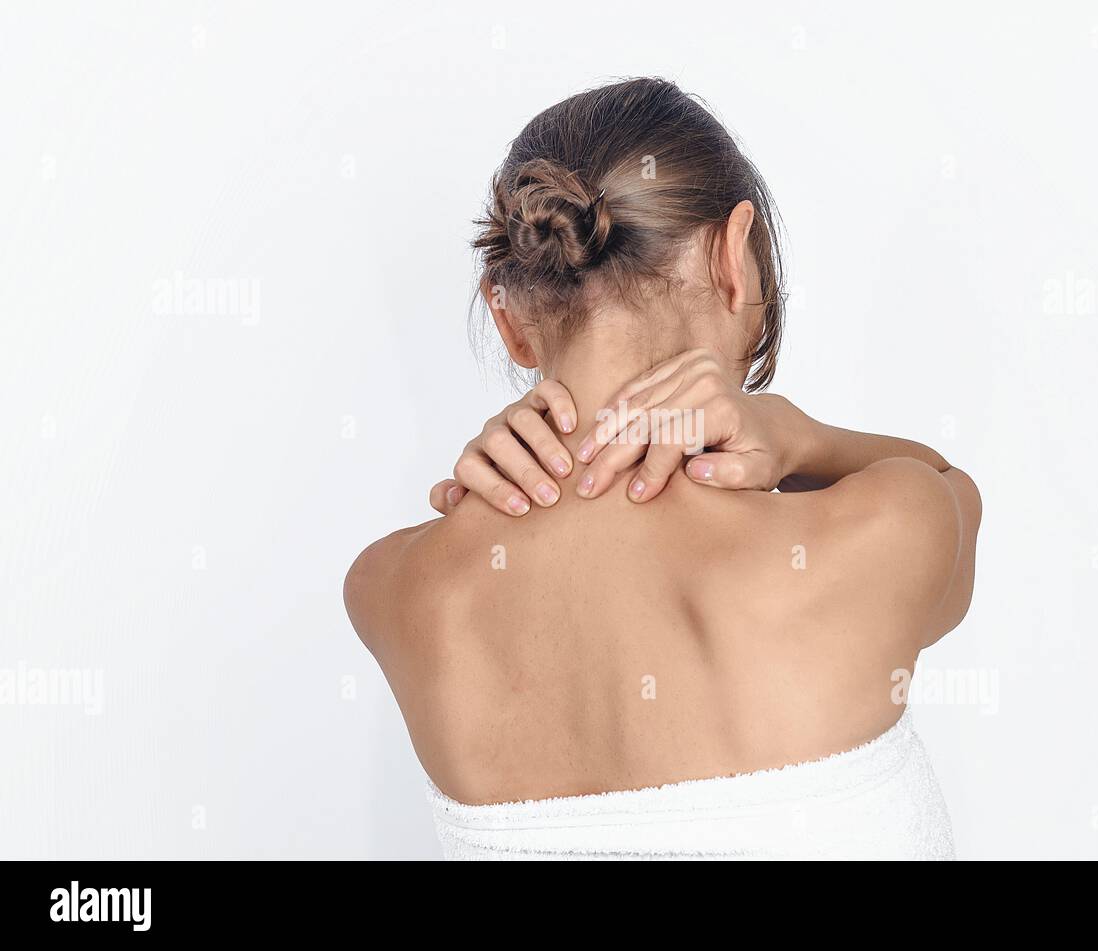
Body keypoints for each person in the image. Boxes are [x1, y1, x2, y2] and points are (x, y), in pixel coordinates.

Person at [345, 77, 981, 860]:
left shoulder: (394, 589)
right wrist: (796, 434)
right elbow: (958, 491)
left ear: (507, 316)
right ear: (733, 257)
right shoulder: (874, 532)